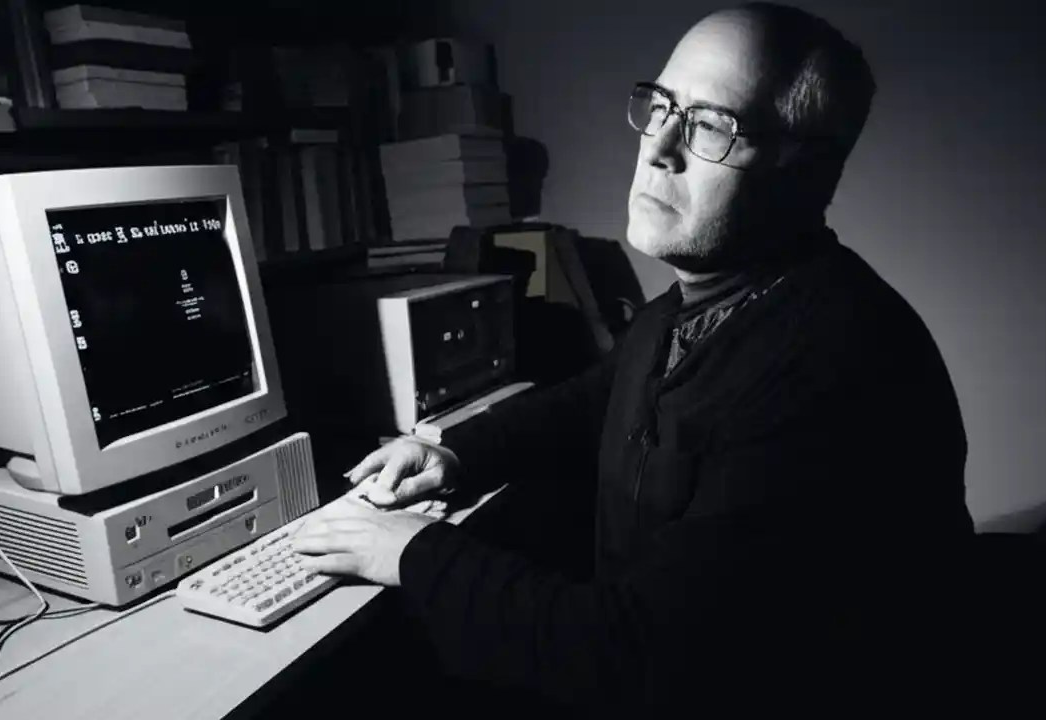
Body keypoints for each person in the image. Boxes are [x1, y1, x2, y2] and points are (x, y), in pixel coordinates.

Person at [292, 1, 975, 710]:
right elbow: (595, 399)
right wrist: (454, 454)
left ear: (802, 171)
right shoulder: (694, 305)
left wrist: (408, 552)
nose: (658, 147)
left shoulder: (837, 368)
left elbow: (640, 653)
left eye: (710, 125)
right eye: (661, 107)